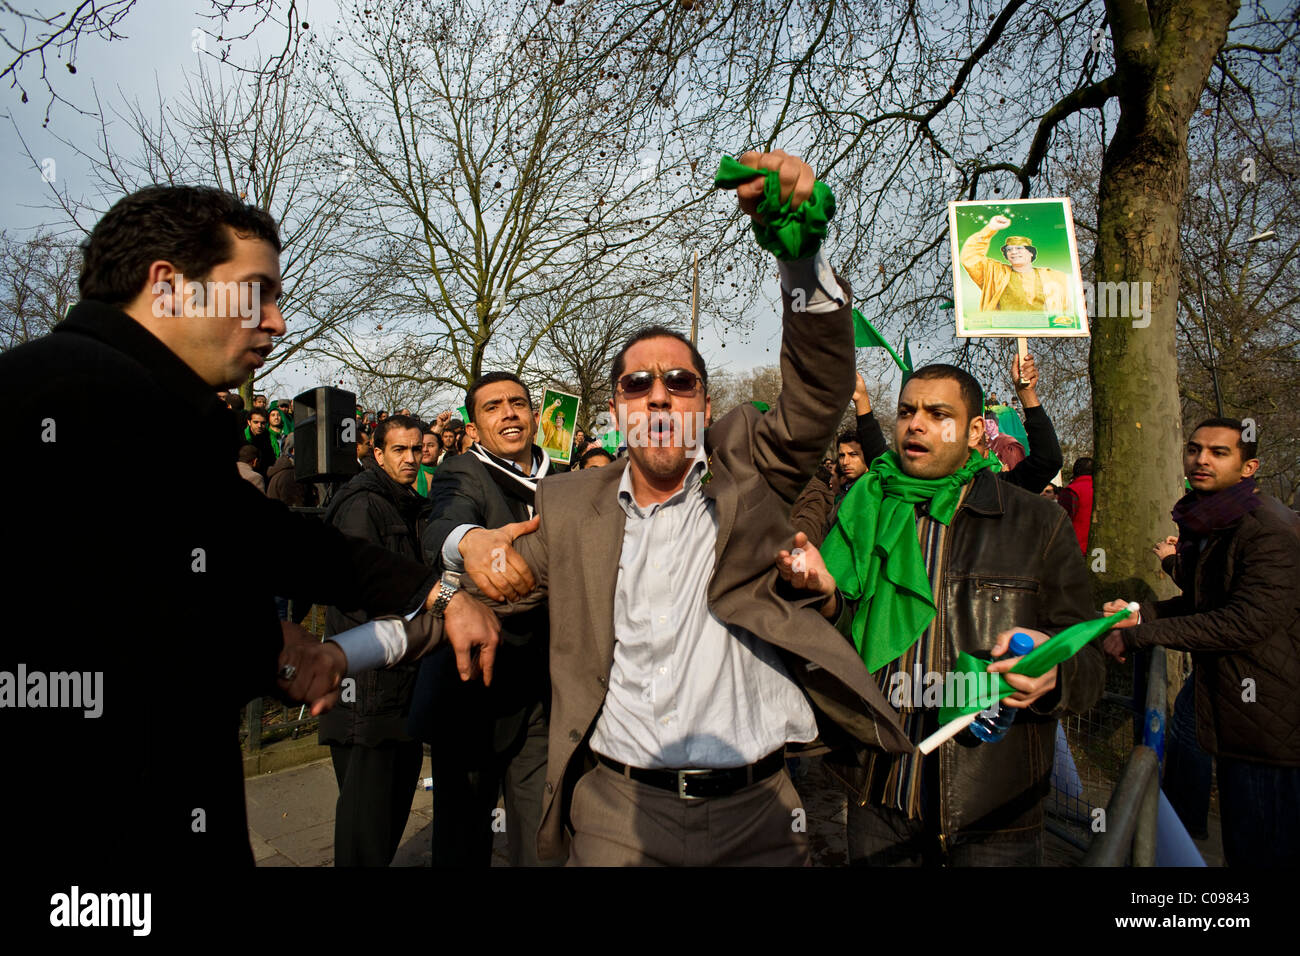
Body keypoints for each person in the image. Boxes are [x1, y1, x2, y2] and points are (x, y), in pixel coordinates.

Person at [317, 148, 913, 866]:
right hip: (617, 821)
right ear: (617, 408)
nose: (659, 395)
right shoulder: (570, 509)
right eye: (638, 385)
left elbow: (818, 389)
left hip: (759, 819)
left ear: (705, 405)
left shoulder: (752, 475)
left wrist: (803, 262)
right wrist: (342, 653)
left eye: (679, 382)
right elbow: (463, 600)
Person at [0, 184, 444, 871]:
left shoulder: (156, 408)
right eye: (257, 292)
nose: (278, 322)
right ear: (167, 286)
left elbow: (263, 538)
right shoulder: (75, 397)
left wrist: (430, 589)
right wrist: (271, 649)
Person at [814, 361, 1104, 866]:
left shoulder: (1037, 522)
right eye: (906, 411)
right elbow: (839, 634)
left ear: (974, 433)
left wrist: (1055, 672)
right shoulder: (864, 509)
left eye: (937, 414)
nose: (916, 424)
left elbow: (1091, 659)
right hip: (880, 790)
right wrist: (821, 597)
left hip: (990, 807)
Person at [1102, 418, 1300, 866]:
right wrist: (1139, 613)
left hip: (1269, 729)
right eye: (1194, 449)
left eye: (1218, 452)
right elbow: (1202, 603)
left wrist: (1139, 636)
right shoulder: (1215, 519)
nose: (1201, 460)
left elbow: (1244, 621)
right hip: (1237, 717)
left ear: (1249, 467)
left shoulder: (1265, 529)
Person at [410, 371, 556, 866]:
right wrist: (470, 541)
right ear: (473, 427)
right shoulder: (461, 471)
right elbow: (442, 526)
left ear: (534, 415)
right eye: (493, 407)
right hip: (474, 691)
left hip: (543, 691)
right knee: (463, 840)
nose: (508, 413)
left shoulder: (563, 479)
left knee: (540, 836)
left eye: (517, 403)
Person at [317, 414, 429, 867]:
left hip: (396, 684)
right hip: (368, 690)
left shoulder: (404, 502)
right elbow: (359, 593)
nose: (410, 458)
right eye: (399, 450)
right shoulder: (364, 505)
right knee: (366, 827)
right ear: (378, 454)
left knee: (385, 816)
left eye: (417, 449)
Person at [959, 215, 1072, 316]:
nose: (1013, 252)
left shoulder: (1053, 276)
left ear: (1031, 253)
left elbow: (1067, 308)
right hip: (1004, 329)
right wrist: (990, 228)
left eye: (1019, 248)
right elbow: (969, 257)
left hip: (1044, 330)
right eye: (1009, 249)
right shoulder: (996, 273)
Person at [1057, 456, 1094, 554]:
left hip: (1076, 549)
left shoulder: (1071, 491)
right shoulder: (1104, 490)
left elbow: (1061, 521)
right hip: (1101, 550)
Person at [244, 406, 278, 481]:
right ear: (249, 422)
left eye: (263, 423)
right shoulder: (242, 438)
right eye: (256, 422)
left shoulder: (270, 438)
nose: (259, 426)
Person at [415, 425, 441, 497]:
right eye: (421, 446)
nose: (425, 450)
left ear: (440, 451)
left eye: (430, 445)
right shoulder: (410, 473)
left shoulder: (447, 475)